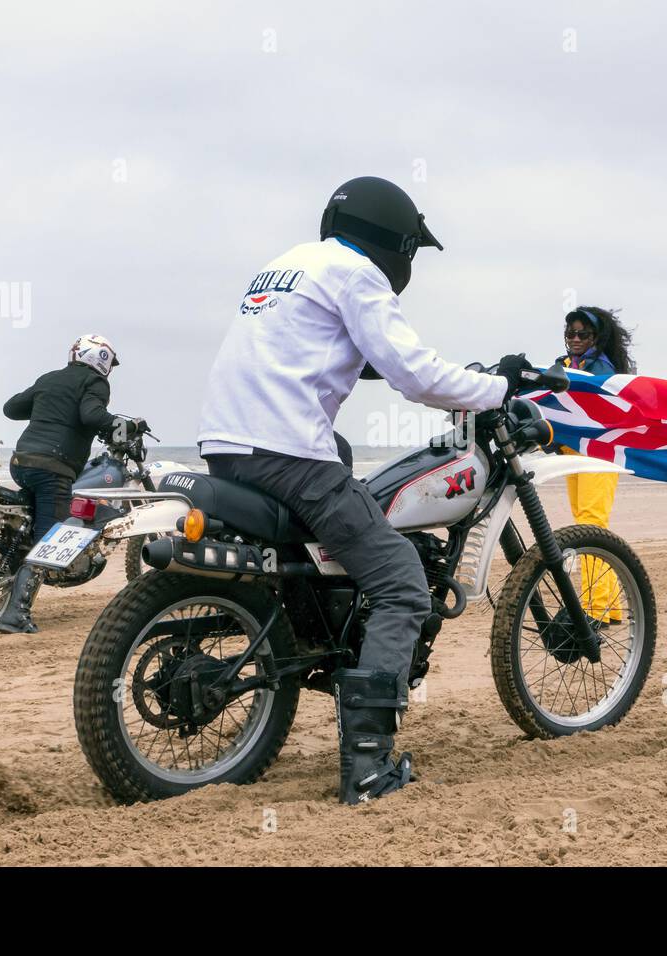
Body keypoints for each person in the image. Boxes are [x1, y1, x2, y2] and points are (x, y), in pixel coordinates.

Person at [197, 175, 531, 805]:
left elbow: (342, 351)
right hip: (287, 453)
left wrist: (444, 371)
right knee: (402, 579)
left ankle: (312, 625)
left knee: (344, 468)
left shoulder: (288, 266)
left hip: (226, 447)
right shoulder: (357, 275)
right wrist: (497, 388)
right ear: (394, 241)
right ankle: (369, 769)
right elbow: (409, 372)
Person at [0, 334, 123, 633]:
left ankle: (11, 578)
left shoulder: (50, 378)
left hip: (21, 463)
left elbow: (11, 408)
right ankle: (16, 614)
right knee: (48, 539)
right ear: (101, 359)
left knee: (32, 525)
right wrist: (124, 425)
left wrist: (49, 403)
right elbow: (91, 414)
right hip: (52, 469)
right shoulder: (96, 383)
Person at [556, 307, 634, 624]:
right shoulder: (562, 366)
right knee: (586, 524)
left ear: (596, 338)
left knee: (590, 526)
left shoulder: (604, 371)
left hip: (599, 453)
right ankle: (609, 608)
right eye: (570, 333)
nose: (575, 339)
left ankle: (597, 608)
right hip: (572, 453)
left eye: (582, 334)